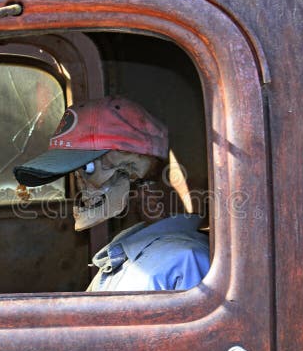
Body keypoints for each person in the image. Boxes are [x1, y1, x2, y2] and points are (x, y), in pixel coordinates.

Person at [13, 96, 209, 292]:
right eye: (75, 173)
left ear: (134, 170)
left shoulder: (182, 262)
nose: (81, 186)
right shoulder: (124, 256)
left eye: (89, 169)